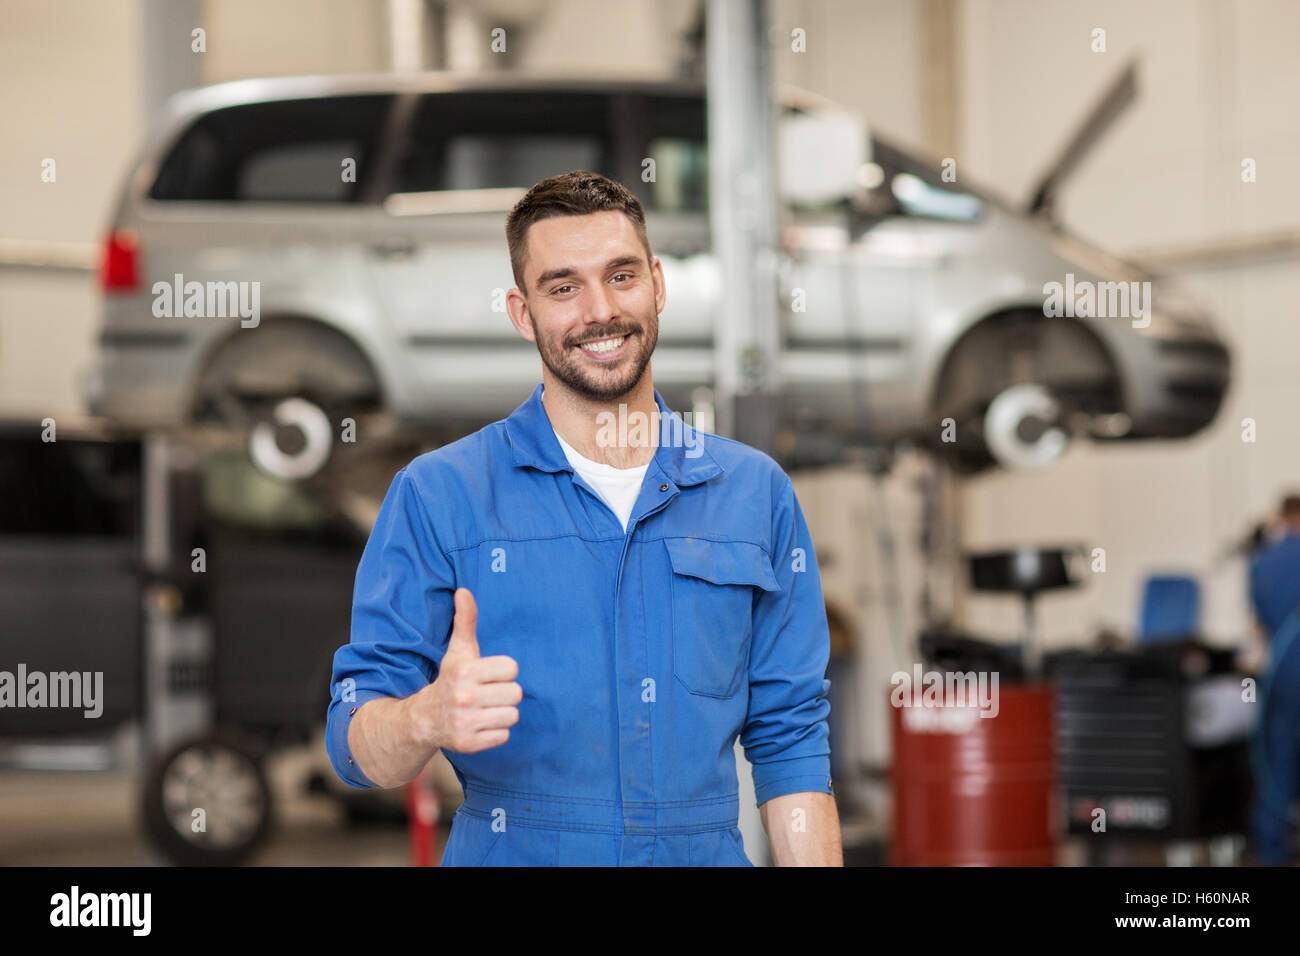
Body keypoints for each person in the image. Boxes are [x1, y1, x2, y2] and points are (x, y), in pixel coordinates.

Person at [326, 171, 842, 866]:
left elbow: (791, 741)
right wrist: (425, 717)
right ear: (522, 312)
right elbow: (358, 744)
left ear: (658, 284)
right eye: (563, 288)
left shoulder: (755, 494)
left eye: (621, 276)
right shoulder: (440, 495)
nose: (600, 311)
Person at [1248, 493, 1300, 865]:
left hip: (1282, 676)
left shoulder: (1262, 562)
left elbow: (1260, 628)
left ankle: (1272, 850)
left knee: (1278, 760)